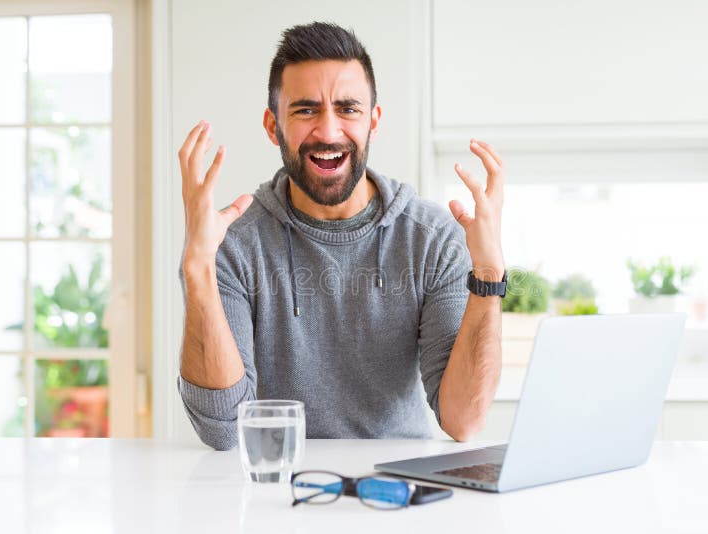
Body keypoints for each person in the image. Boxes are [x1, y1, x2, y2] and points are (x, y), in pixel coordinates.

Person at [177, 22, 506, 450]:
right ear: (273, 126)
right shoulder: (233, 245)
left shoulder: (433, 238)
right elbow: (223, 430)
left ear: (373, 120)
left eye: (348, 109)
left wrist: (489, 275)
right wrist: (198, 267)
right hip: (275, 494)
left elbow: (464, 421)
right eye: (305, 110)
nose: (329, 132)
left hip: (398, 494)